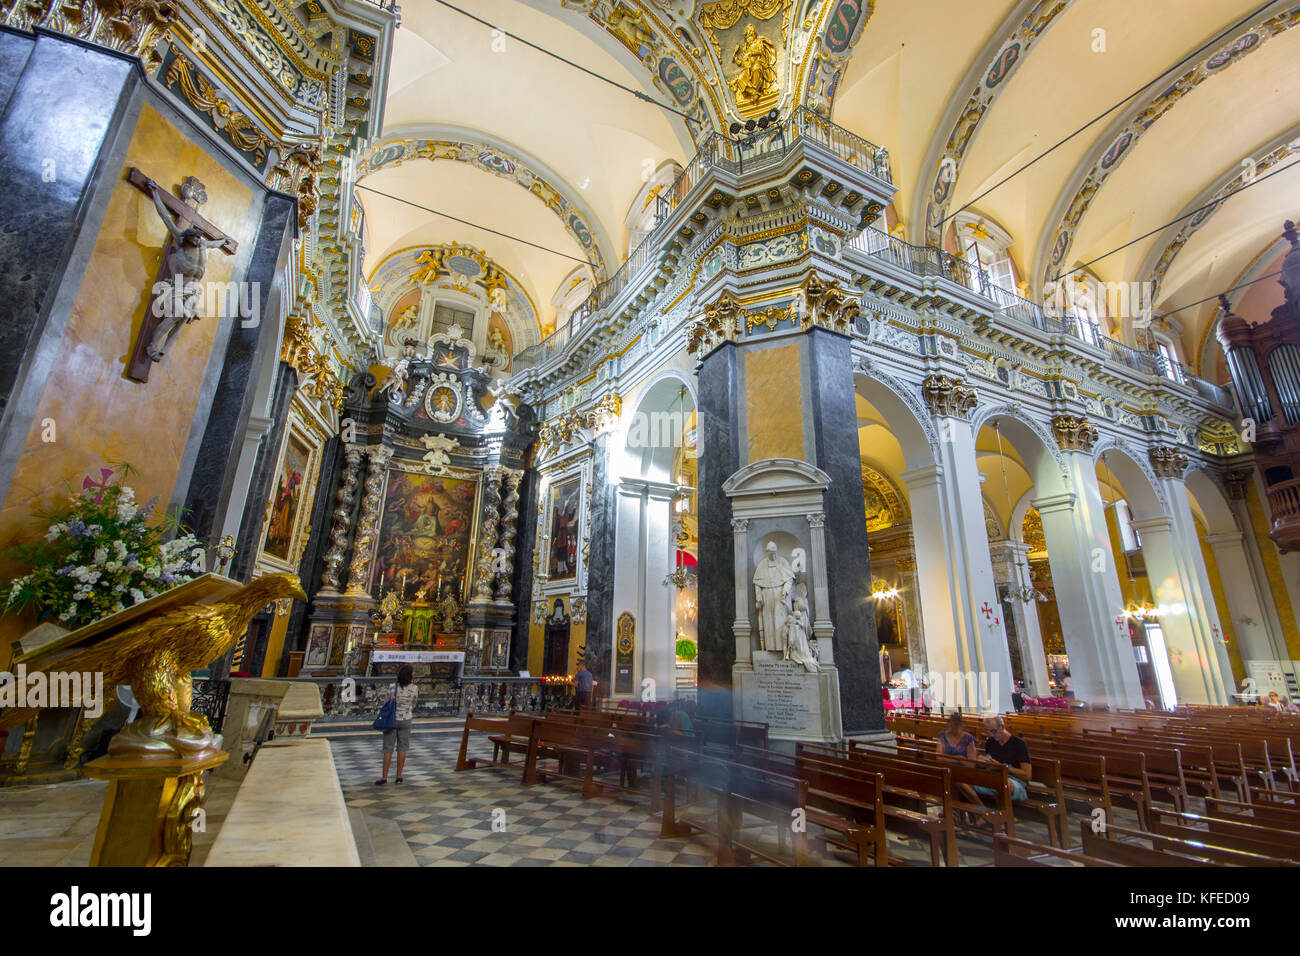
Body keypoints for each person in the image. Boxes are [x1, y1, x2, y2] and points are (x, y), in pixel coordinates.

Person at [376, 665, 418, 785]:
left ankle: (384, 777)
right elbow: (414, 703)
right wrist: (407, 710)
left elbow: (386, 702)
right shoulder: (414, 688)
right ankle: (399, 776)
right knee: (402, 748)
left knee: (388, 749)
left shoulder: (392, 687)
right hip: (406, 719)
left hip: (392, 719)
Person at [975, 714, 1031, 802]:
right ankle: (981, 808)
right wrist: (983, 762)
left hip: (1015, 780)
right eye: (988, 731)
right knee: (964, 781)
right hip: (995, 776)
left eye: (994, 731)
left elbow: (1027, 775)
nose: (991, 735)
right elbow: (990, 764)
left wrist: (1002, 767)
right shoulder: (990, 742)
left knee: (1001, 784)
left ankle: (1002, 812)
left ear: (1002, 727)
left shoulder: (1019, 744)